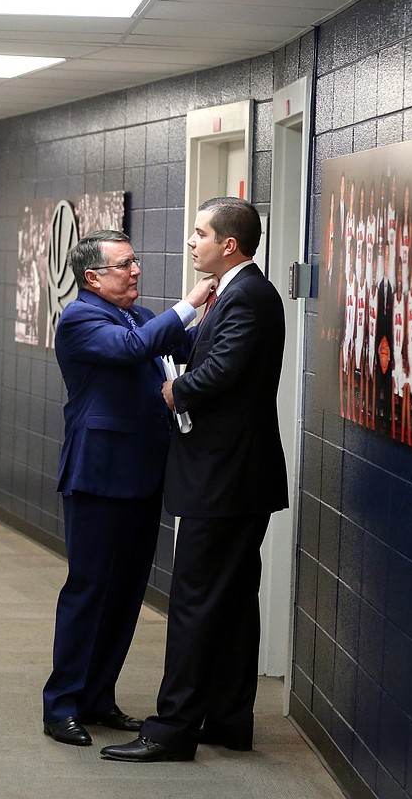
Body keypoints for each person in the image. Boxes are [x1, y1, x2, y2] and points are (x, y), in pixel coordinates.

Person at [100, 197, 288, 762]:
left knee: (194, 602)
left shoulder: (248, 295)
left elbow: (227, 367)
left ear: (228, 244)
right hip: (231, 477)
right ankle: (228, 719)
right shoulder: (234, 292)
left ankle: (173, 728)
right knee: (229, 603)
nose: (190, 242)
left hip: (224, 477)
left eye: (200, 233)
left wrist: (177, 389)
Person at [43, 229, 217, 747]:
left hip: (143, 475)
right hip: (98, 475)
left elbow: (187, 344)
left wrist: (219, 305)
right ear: (92, 277)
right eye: (124, 265)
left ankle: (99, 697)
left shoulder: (139, 315)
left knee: (125, 595)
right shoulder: (80, 318)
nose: (136, 271)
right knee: (90, 589)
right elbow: (134, 349)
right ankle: (62, 706)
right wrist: (190, 303)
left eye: (136, 261)